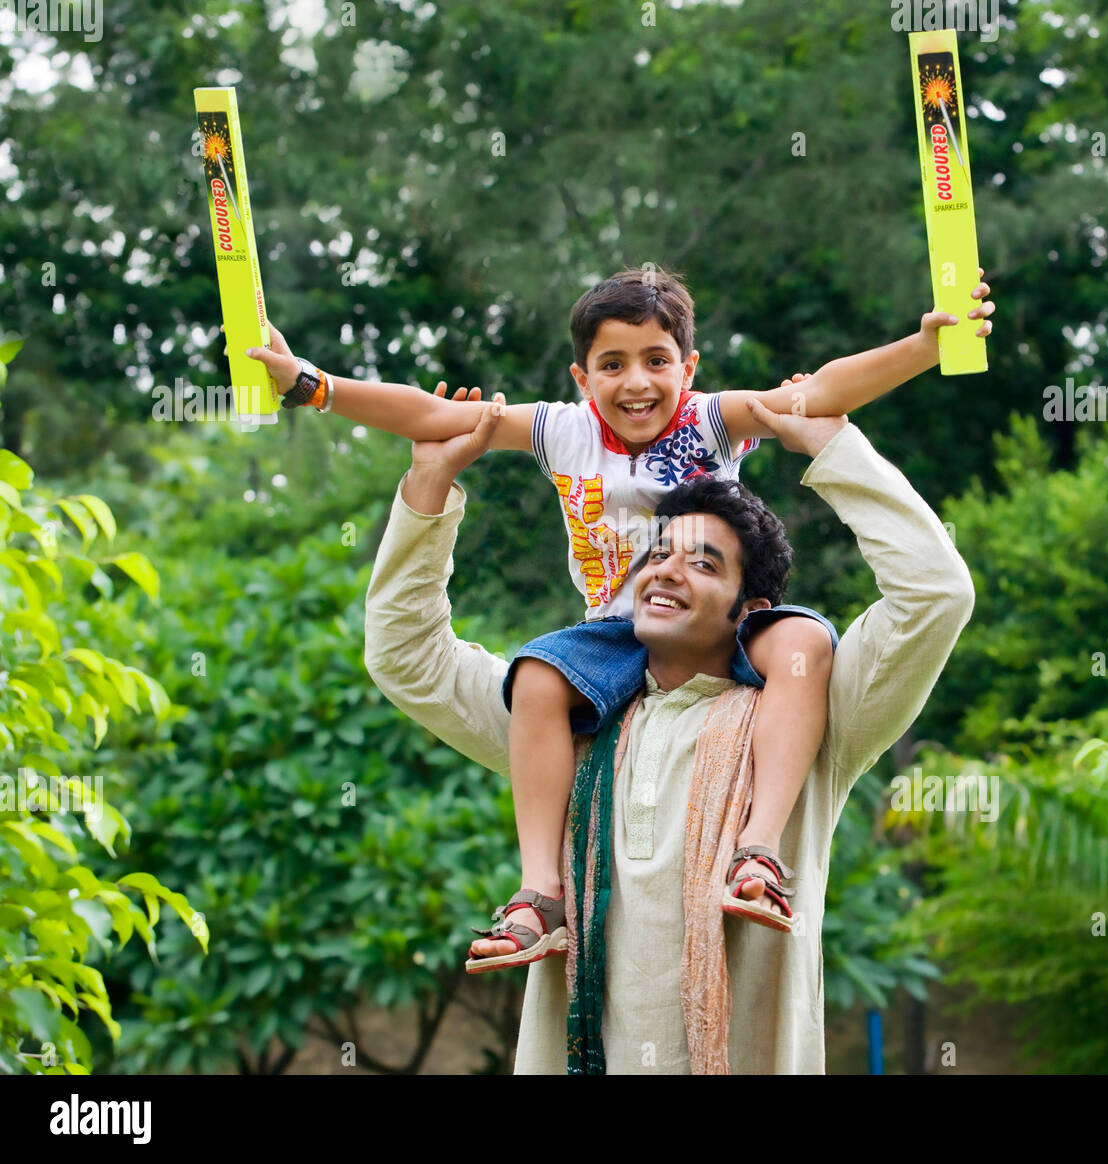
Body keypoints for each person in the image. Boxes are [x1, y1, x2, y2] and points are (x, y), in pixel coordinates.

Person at [247, 265, 993, 976]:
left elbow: (822, 392)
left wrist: (926, 345)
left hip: (720, 627)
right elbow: (431, 416)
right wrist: (312, 384)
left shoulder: (711, 421)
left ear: (688, 367)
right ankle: (541, 893)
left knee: (803, 640)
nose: (636, 382)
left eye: (656, 360)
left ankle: (759, 848)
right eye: (612, 364)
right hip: (614, 630)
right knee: (535, 677)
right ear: (582, 377)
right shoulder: (559, 430)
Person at [363, 390, 975, 1074]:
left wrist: (836, 452)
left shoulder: (808, 716)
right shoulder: (574, 721)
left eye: (704, 563)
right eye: (657, 554)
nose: (664, 571)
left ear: (752, 610)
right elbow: (405, 656)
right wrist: (428, 487)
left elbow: (936, 593)